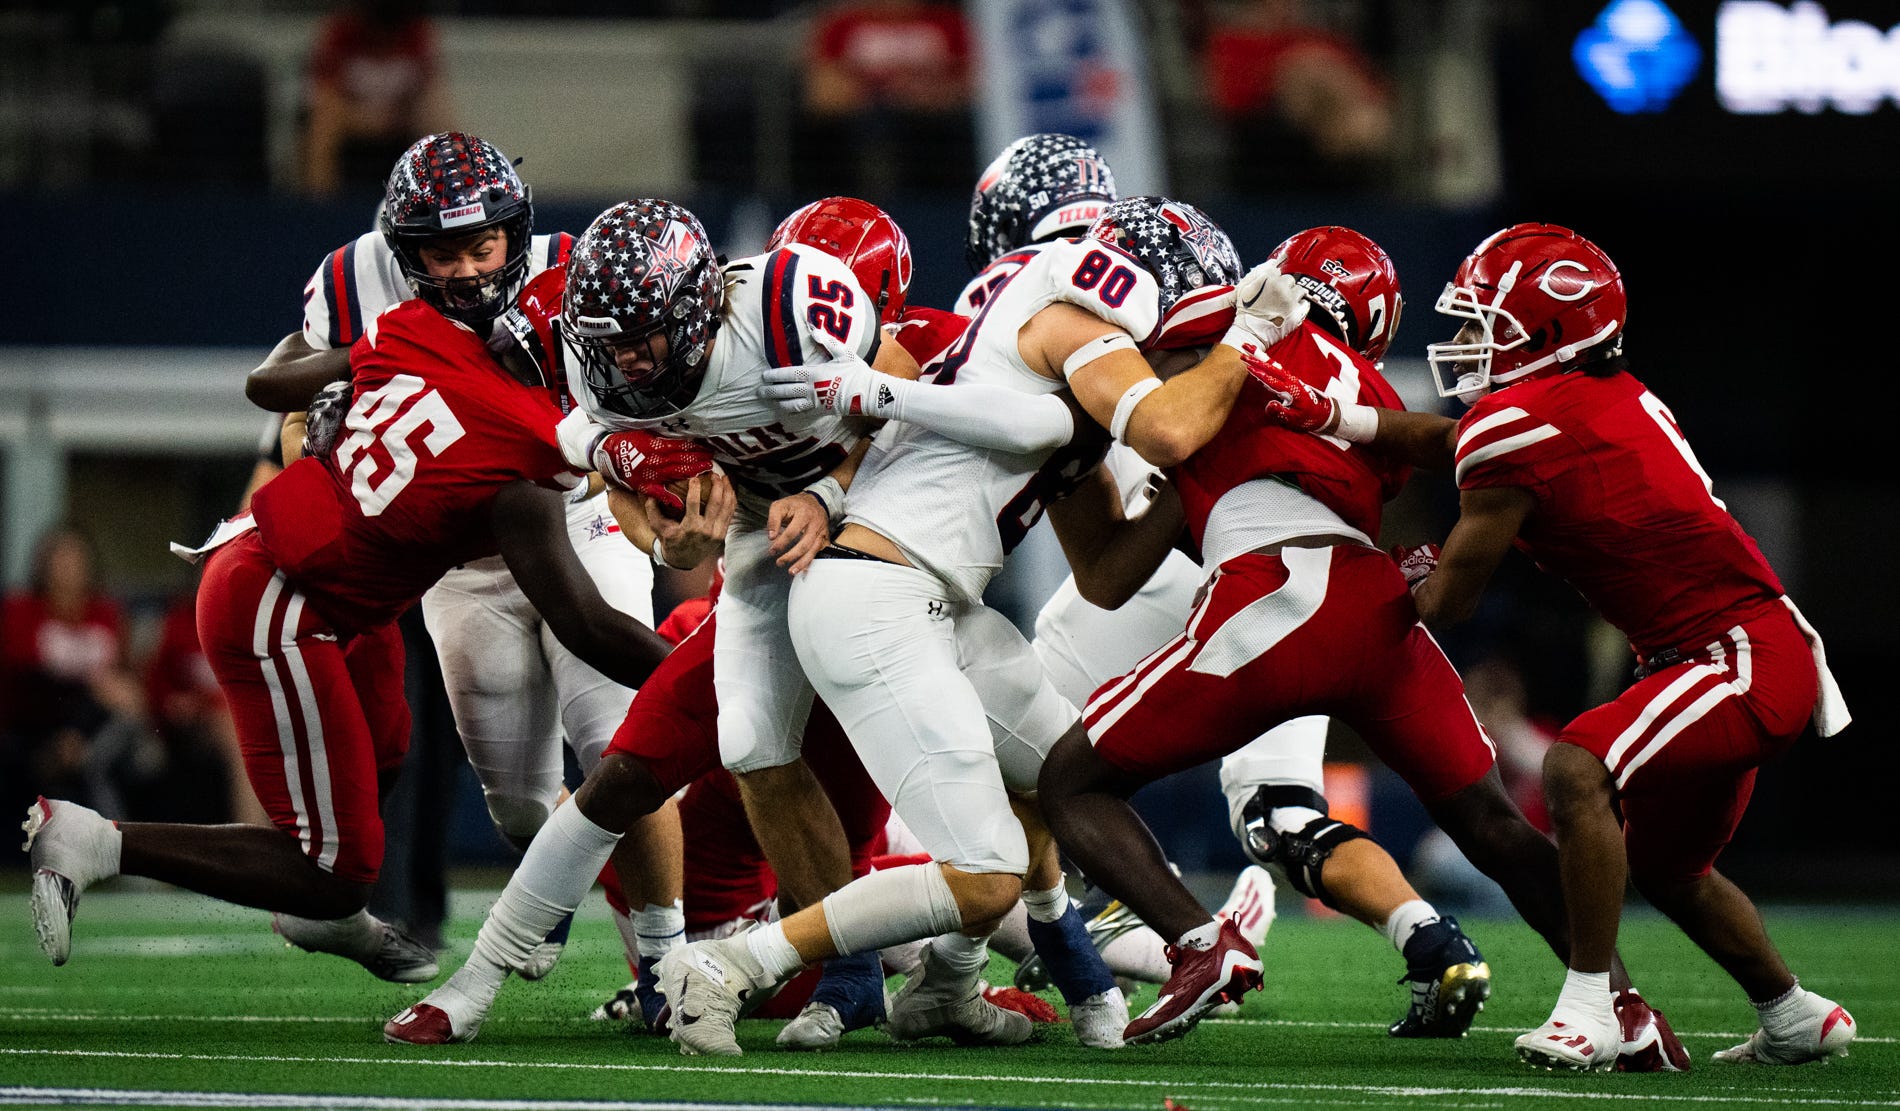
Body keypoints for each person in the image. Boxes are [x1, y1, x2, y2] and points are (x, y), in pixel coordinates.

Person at [661, 195, 1313, 1057]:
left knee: (1073, 778)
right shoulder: (1067, 318)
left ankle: (965, 985)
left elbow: (1108, 573)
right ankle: (728, 966)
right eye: (1192, 324)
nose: (1188, 348)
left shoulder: (1055, 375)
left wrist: (1181, 503)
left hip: (935, 601)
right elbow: (1164, 426)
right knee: (984, 874)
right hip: (875, 596)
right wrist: (1247, 345)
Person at [1251, 222, 1855, 1070]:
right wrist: (1333, 414)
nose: (1465, 345)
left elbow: (1451, 601)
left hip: (1732, 656)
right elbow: (1454, 443)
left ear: (1544, 332)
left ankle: (1593, 1007)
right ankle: (1792, 1013)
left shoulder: (1517, 424)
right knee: (1669, 866)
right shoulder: (1579, 400)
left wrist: (1391, 573)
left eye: (1481, 327)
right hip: (1735, 648)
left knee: (1578, 767)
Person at [23, 263, 675, 985]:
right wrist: (699, 671)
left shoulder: (421, 329)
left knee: (388, 750)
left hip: (335, 591)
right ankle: (93, 841)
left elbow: (278, 380)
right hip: (282, 599)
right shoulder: (523, 453)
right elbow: (585, 624)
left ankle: (318, 903)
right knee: (340, 868)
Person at [382, 197, 896, 1048]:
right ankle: (478, 979)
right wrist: (667, 537)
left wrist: (831, 490)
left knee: (978, 783)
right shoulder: (601, 371)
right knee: (650, 763)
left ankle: (1025, 958)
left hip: (882, 562)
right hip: (764, 570)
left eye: (639, 335)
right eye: (605, 341)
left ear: (697, 305)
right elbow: (618, 467)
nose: (621, 358)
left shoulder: (790, 310)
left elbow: (900, 399)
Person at [1028, 225, 1491, 1037]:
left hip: (1222, 576)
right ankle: (1429, 935)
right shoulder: (1359, 385)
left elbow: (1124, 536)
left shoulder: (1204, 331)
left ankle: (1109, 926)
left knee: (1044, 771)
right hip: (1312, 591)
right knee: (1282, 815)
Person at [253, 132, 664, 979]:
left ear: (516, 231)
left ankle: (664, 964)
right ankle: (549, 875)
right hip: (456, 559)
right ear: (404, 252)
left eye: (485, 245)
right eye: (444, 253)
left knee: (620, 738)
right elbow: (286, 402)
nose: (473, 271)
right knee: (517, 803)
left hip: (578, 521)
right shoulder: (353, 280)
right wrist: (327, 424)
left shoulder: (573, 265)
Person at [301, 0, 449, 196]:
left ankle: (444, 201)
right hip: (352, 123)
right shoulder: (341, 33)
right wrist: (373, 121)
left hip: (398, 125)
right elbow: (325, 99)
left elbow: (430, 93)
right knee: (325, 122)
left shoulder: (415, 34)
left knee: (436, 119)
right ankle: (320, 206)